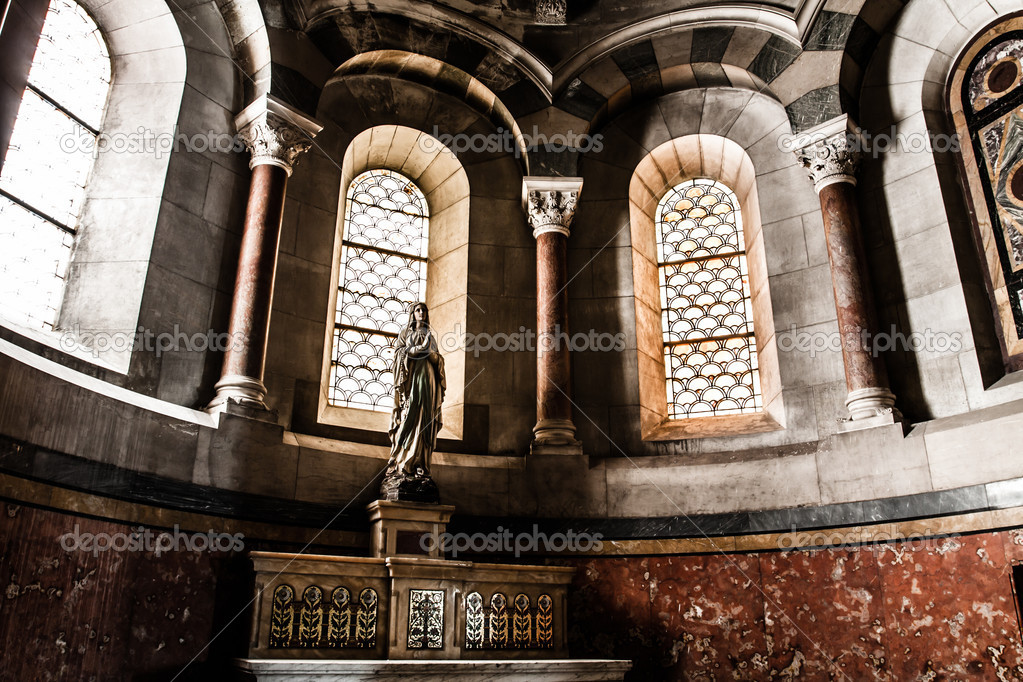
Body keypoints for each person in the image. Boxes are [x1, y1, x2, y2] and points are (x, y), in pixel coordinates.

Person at [381, 302, 445, 502]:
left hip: (429, 381)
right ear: (413, 314)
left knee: (426, 418)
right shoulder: (405, 334)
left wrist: (432, 355)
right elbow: (399, 355)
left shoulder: (431, 337)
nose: (421, 313)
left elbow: (437, 359)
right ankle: (402, 463)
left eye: (424, 310)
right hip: (411, 381)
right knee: (409, 416)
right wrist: (415, 350)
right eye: (418, 310)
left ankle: (421, 467)